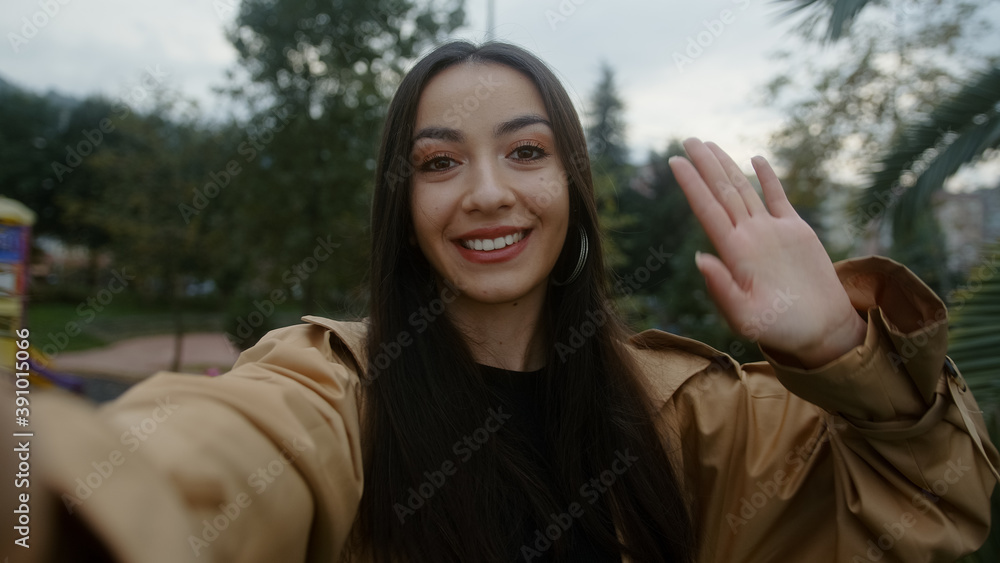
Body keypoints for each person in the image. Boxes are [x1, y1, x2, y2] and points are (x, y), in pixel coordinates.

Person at [9, 40, 999, 563]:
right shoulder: (332, 391)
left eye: (525, 151)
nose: (487, 190)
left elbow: (934, 501)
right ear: (402, 206)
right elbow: (195, 465)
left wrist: (839, 343)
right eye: (440, 162)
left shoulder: (694, 415)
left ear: (571, 184)